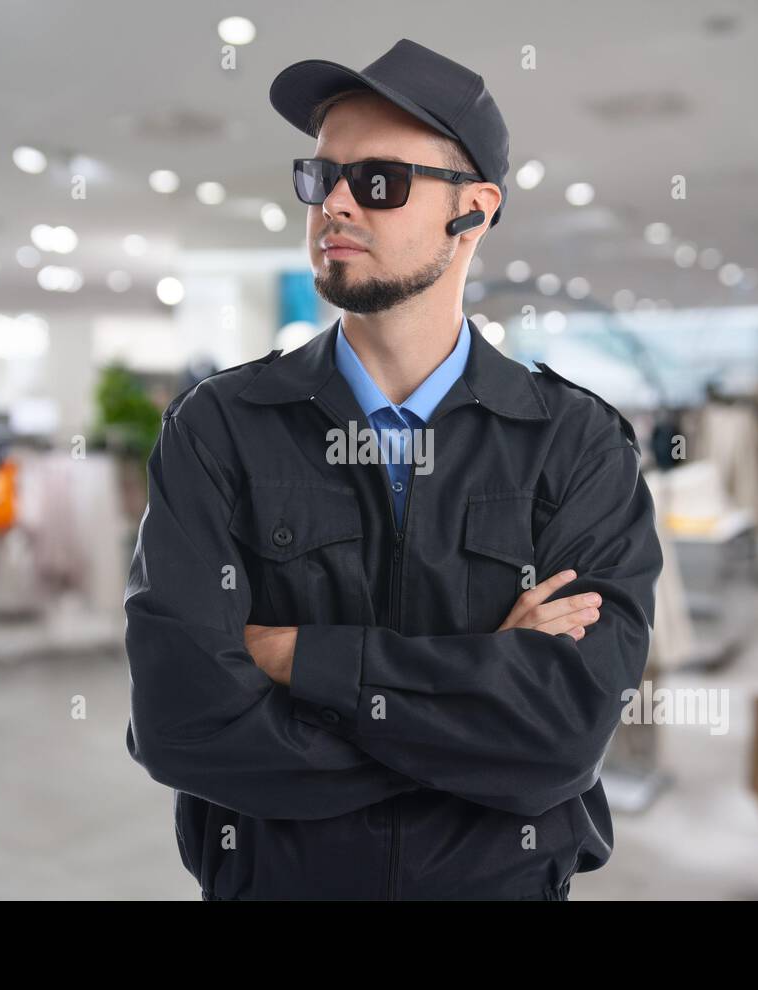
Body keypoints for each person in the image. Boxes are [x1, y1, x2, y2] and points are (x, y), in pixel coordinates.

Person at [123, 38, 663, 900]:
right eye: (319, 176)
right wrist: (476, 712)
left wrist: (299, 657)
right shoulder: (220, 427)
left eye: (379, 181)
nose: (334, 203)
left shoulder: (576, 444)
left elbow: (561, 737)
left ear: (475, 211)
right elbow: (181, 722)